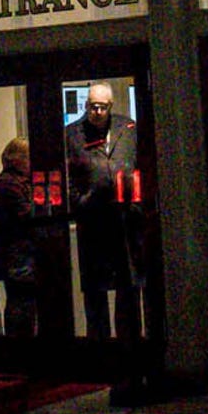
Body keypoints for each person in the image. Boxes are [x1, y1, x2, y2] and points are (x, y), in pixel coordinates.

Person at [61, 82, 143, 342]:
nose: (97, 112)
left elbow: (140, 164)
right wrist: (81, 202)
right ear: (86, 105)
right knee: (96, 290)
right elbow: (67, 176)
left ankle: (130, 342)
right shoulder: (72, 134)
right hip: (93, 221)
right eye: (92, 106)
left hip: (126, 219)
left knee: (128, 286)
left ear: (111, 106)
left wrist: (136, 203)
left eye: (102, 107)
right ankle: (100, 346)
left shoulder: (128, 129)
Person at [0, 137, 40, 338]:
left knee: (21, 303)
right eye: (28, 157)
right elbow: (27, 215)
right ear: (17, 159)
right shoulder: (10, 184)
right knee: (21, 304)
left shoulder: (10, 182)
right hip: (16, 254)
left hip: (14, 254)